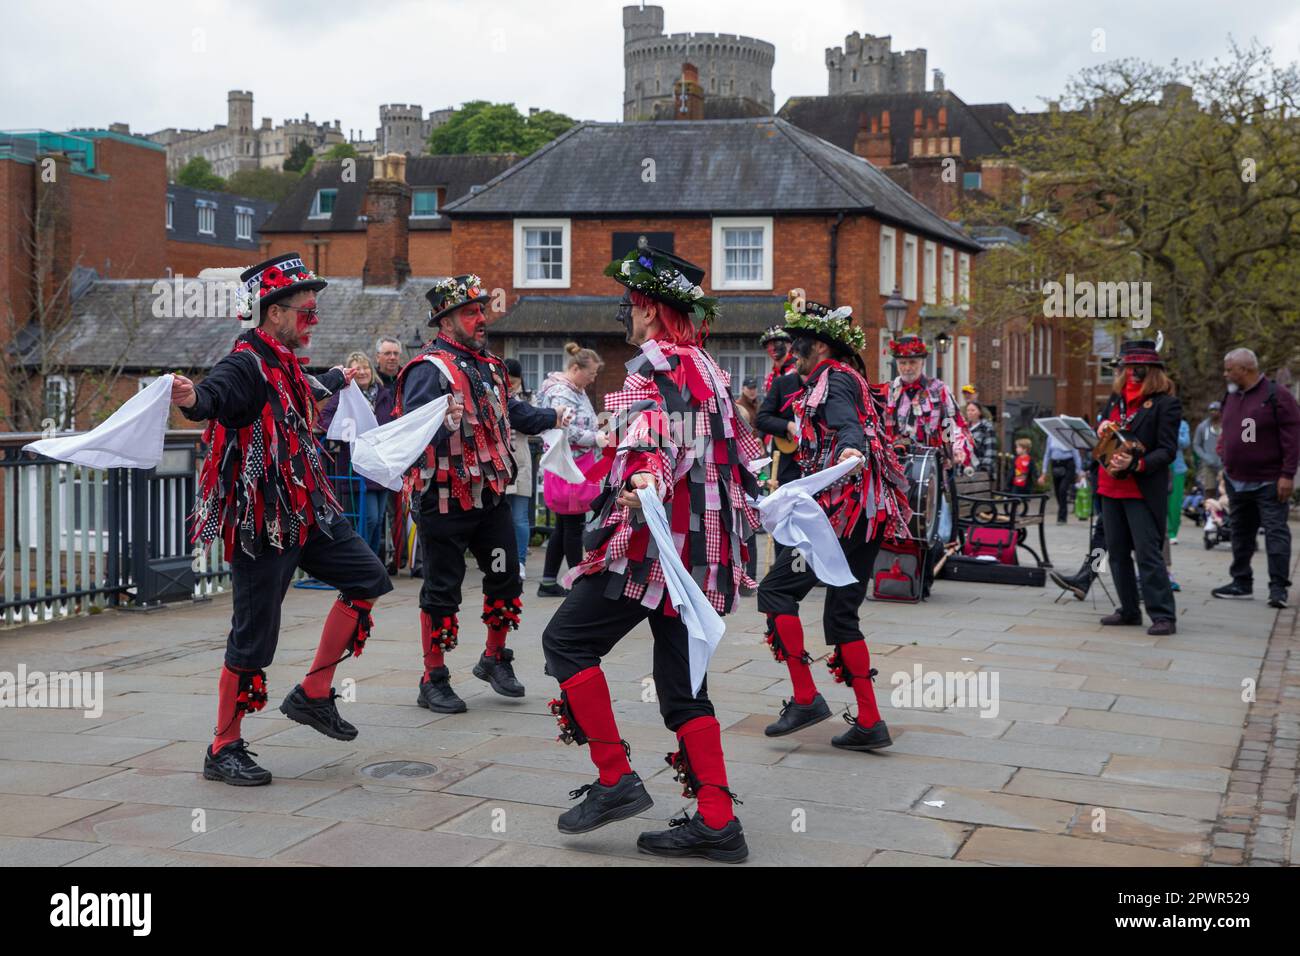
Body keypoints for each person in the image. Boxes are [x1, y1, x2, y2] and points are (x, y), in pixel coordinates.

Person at [541, 240, 758, 862]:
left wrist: (641, 485)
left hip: (649, 554)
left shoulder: (657, 367)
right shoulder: (712, 371)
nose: (626, 317)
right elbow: (736, 458)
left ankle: (614, 780)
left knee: (566, 642)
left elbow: (651, 444)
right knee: (685, 690)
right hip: (701, 559)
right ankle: (718, 822)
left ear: (651, 310)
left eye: (630, 306)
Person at [170, 252, 393, 786]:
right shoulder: (245, 362)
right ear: (273, 313)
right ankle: (222, 747)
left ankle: (314, 692)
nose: (312, 320)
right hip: (261, 521)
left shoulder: (283, 360)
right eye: (306, 312)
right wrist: (193, 398)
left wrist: (339, 376)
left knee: (367, 577)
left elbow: (299, 394)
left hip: (307, 510)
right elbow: (215, 396)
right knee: (253, 636)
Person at [394, 274, 567, 714]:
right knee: (443, 588)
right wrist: (442, 424)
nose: (480, 318)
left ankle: (494, 658)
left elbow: (512, 412)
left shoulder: (489, 365)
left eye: (481, 310)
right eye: (470, 312)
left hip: (488, 497)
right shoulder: (427, 369)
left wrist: (552, 415)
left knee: (506, 574)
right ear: (446, 321)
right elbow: (408, 433)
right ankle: (432, 677)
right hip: (443, 500)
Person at [756, 298, 910, 750]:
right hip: (864, 516)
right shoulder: (849, 378)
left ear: (818, 347)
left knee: (776, 591)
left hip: (839, 516)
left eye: (797, 345)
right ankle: (870, 722)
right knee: (842, 614)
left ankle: (806, 697)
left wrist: (848, 449)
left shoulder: (833, 380)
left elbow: (849, 426)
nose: (791, 353)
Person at [1093, 340, 1181, 635]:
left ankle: (1163, 615)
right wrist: (1103, 428)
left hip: (1140, 489)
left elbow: (1168, 450)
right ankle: (1129, 609)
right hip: (1110, 485)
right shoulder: (1116, 398)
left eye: (1137, 367)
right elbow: (1107, 428)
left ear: (1151, 369)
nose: (1130, 372)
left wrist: (1137, 465)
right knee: (1116, 553)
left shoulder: (1166, 403)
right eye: (1127, 367)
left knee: (1147, 554)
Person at [1212, 348, 1300, 608]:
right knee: (1240, 532)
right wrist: (1224, 454)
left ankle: (1278, 588)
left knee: (1275, 533)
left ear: (1245, 369)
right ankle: (1241, 582)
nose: (1225, 373)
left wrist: (1287, 474)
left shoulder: (1277, 396)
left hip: (1268, 480)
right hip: (1236, 478)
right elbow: (1229, 430)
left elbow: (1293, 439)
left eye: (1229, 369)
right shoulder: (1230, 396)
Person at [535, 343, 608, 596]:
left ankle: (547, 582)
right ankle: (578, 584)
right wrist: (595, 438)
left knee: (564, 525)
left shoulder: (575, 389)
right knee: (573, 524)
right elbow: (565, 429)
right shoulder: (563, 393)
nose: (593, 378)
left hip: (571, 464)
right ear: (576, 368)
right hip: (568, 465)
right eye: (591, 373)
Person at [319, 350, 391, 557]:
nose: (362, 372)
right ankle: (363, 561)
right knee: (367, 518)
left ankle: (375, 561)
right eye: (356, 368)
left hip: (380, 464)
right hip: (355, 467)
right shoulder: (343, 395)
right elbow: (324, 418)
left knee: (379, 519)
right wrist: (345, 430)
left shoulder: (384, 395)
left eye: (365, 367)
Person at [503, 358, 534, 581]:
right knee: (501, 517)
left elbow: (533, 425)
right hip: (501, 462)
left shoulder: (528, 397)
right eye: (508, 381)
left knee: (520, 516)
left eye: (514, 381)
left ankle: (520, 561)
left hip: (521, 460)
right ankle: (502, 560)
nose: (511, 385)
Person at [1043, 432, 1083, 524]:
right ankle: (1062, 509)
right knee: (1057, 491)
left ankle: (1062, 517)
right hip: (1056, 464)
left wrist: (1079, 471)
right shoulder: (1050, 437)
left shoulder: (1069, 436)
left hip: (1068, 464)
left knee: (1062, 489)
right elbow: (1047, 454)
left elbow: (1076, 455)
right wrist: (1044, 471)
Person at [1167, 417, 1191, 544]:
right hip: (1159, 466)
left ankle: (1172, 532)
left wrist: (1172, 431)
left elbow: (1185, 443)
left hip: (1177, 468)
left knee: (1174, 503)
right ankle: (1162, 530)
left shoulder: (1183, 425)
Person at [1193, 401, 1223, 494]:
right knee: (1209, 490)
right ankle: (1209, 508)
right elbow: (1196, 445)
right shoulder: (1202, 426)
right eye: (1211, 410)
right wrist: (1205, 457)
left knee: (1224, 491)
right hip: (1208, 465)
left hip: (1224, 465)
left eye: (1215, 410)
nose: (1213, 412)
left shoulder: (1227, 424)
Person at [964, 400, 997, 476]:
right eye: (968, 410)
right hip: (965, 469)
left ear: (979, 412)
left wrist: (984, 469)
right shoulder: (964, 428)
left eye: (973, 410)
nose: (970, 412)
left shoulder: (986, 427)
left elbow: (990, 450)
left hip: (980, 468)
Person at [761, 325, 797, 393]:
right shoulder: (770, 377)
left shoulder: (799, 369)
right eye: (768, 346)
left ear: (788, 345)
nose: (772, 348)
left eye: (776, 343)